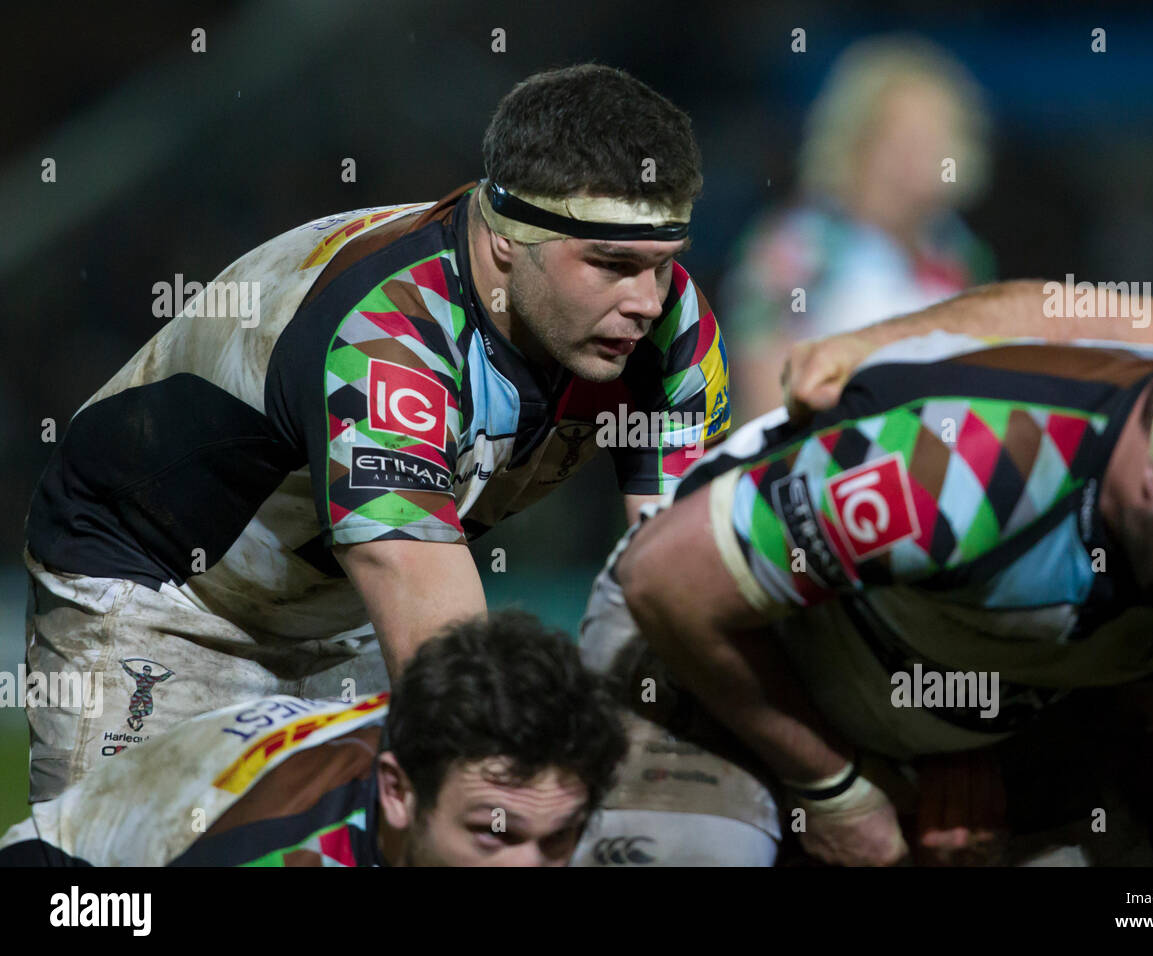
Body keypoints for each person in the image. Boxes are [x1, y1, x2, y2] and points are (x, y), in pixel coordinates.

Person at [22, 63, 728, 800]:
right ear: (505, 242)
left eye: (662, 265)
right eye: (611, 264)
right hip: (159, 591)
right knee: (109, 891)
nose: (648, 301)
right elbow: (448, 651)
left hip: (344, 600)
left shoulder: (672, 324)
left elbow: (682, 580)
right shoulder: (387, 338)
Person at [573, 289, 1153, 867]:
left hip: (967, 700)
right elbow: (668, 580)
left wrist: (988, 760)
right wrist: (839, 785)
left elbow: (1070, 306)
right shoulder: (952, 470)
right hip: (710, 644)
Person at [0, 612, 626, 867]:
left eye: (559, 839)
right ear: (399, 793)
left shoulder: (457, 758)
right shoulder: (278, 849)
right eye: (495, 834)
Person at [721, 35, 995, 421]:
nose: (919, 161)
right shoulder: (796, 247)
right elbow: (765, 393)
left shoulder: (957, 252)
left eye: (935, 142)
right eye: (902, 141)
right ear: (857, 142)